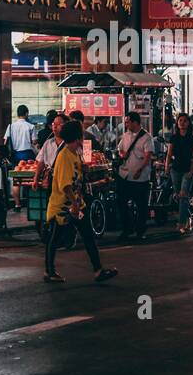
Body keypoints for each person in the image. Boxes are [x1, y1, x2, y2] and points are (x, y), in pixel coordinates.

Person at [44, 120, 117, 285]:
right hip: (63, 206)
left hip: (76, 204)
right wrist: (75, 205)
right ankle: (49, 272)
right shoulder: (64, 156)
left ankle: (98, 270)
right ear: (77, 137)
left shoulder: (74, 153)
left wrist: (83, 171)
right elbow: (65, 185)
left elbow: (75, 178)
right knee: (54, 238)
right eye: (81, 133)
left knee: (88, 236)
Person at [116, 110, 155, 242]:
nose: (126, 124)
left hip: (140, 177)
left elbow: (148, 156)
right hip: (125, 175)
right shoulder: (126, 135)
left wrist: (140, 169)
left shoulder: (146, 137)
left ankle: (140, 231)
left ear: (135, 122)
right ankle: (127, 228)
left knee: (141, 206)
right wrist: (122, 154)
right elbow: (120, 149)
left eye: (128, 122)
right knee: (121, 202)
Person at [164, 112, 193, 234]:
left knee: (183, 194)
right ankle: (188, 217)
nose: (182, 123)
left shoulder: (192, 139)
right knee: (179, 196)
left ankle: (181, 223)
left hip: (187, 169)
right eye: (180, 121)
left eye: (184, 120)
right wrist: (167, 166)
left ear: (188, 123)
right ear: (177, 123)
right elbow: (169, 154)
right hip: (175, 169)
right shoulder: (174, 137)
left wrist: (192, 171)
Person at [4, 104, 37, 209]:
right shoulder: (31, 126)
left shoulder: (10, 126)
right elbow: (34, 142)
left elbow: (5, 141)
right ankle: (31, 203)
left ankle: (17, 204)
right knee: (31, 179)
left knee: (16, 180)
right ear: (26, 113)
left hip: (16, 155)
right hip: (28, 154)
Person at [34, 111, 66, 188]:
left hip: (65, 180)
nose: (54, 127)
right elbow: (41, 162)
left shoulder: (70, 144)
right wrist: (36, 179)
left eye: (58, 125)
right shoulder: (48, 143)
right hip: (50, 181)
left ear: (65, 126)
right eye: (53, 124)